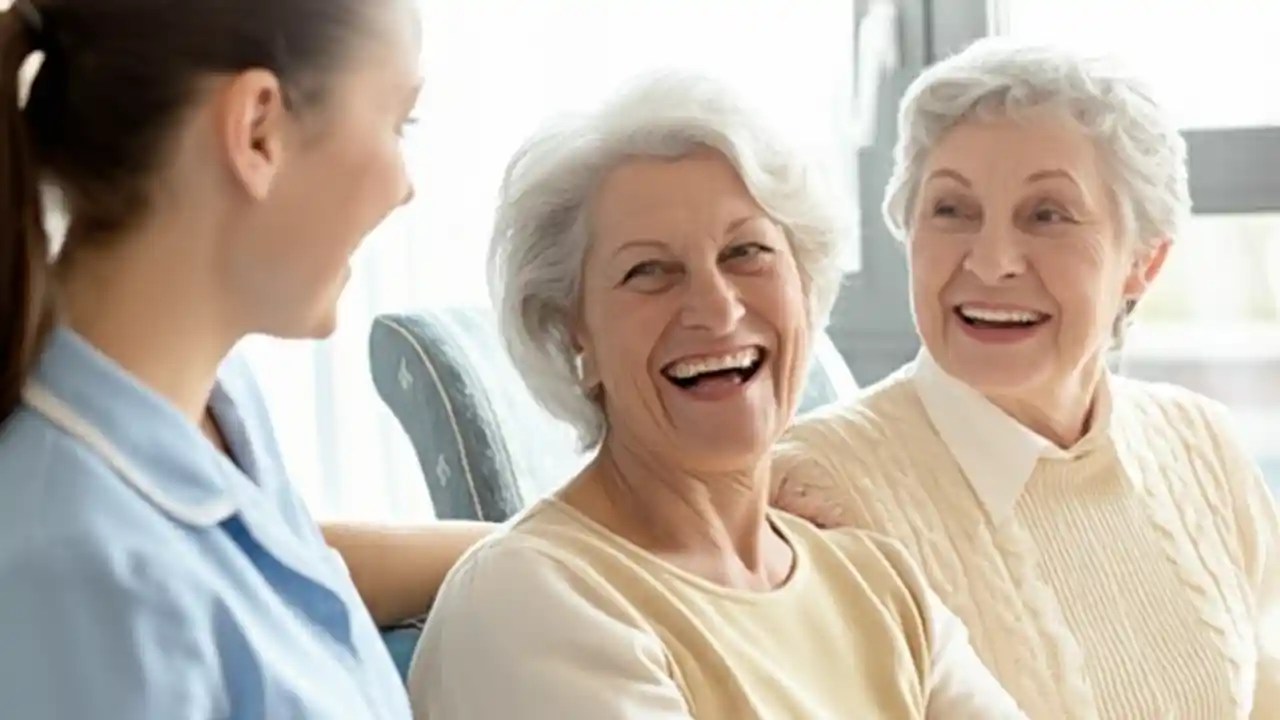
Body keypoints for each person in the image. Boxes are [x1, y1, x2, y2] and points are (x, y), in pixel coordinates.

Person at [407, 72, 1026, 719]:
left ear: (806, 291)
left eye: (745, 252)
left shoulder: (879, 581)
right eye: (649, 271)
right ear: (574, 334)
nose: (715, 307)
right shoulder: (531, 599)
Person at [771, 38, 1280, 719]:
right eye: (952, 211)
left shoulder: (1200, 444)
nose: (992, 261)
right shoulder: (814, 486)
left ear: (1144, 263)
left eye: (1047, 215)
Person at [0, 0, 482, 716]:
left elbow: (267, 586)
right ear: (257, 128)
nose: (404, 187)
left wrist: (543, 546)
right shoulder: (73, 577)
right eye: (397, 123)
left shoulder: (213, 405)